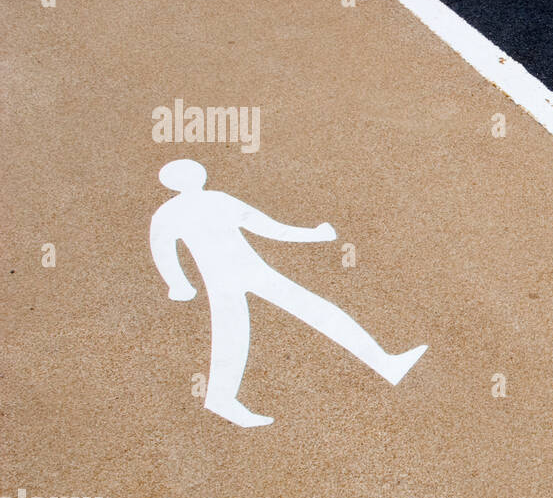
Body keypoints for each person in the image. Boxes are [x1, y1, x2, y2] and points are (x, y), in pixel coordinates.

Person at [149, 159, 427, 427]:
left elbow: (163, 251)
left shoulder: (169, 212)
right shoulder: (215, 200)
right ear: (198, 176)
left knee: (241, 334)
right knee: (268, 327)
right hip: (241, 274)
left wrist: (180, 285)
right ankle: (221, 400)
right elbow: (269, 228)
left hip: (238, 274)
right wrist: (315, 235)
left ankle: (385, 364)